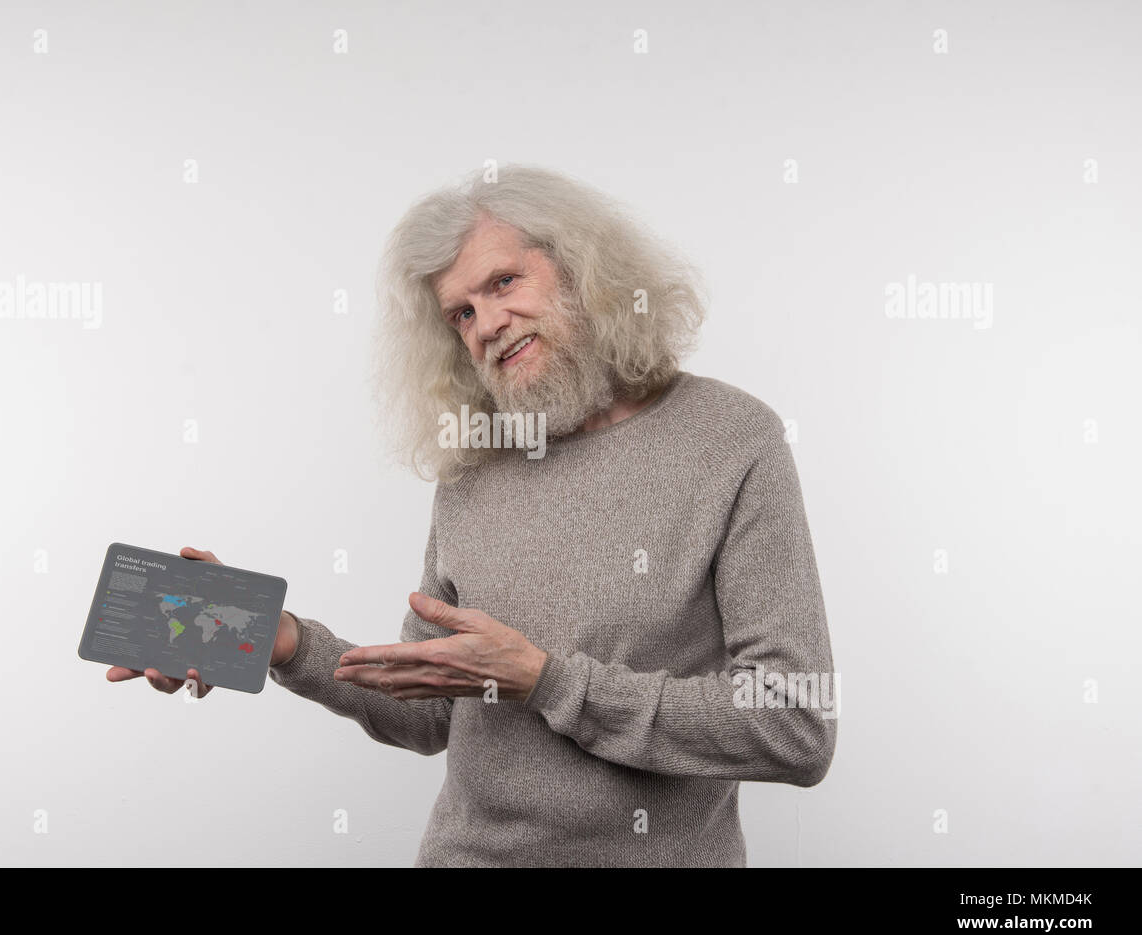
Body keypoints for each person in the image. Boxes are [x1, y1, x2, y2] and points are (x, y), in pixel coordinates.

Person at [108, 164, 838, 866]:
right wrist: (278, 638)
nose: (487, 322)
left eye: (503, 282)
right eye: (461, 311)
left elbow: (792, 723)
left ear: (584, 270)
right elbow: (428, 715)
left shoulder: (732, 439)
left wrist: (548, 682)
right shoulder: (477, 463)